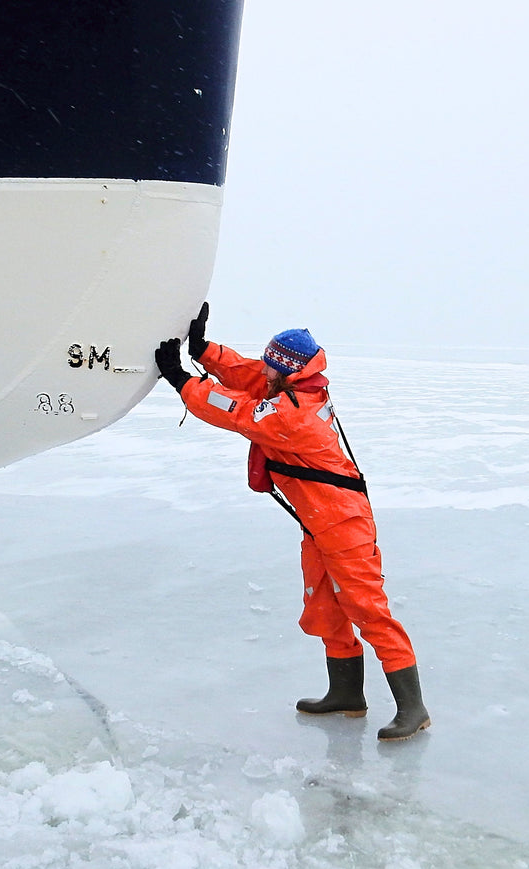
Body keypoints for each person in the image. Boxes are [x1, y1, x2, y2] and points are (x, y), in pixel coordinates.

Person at [154, 303, 429, 741]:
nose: (264, 371)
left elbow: (237, 410)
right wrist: (205, 352)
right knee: (325, 605)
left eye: (271, 365)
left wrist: (182, 380)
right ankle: (346, 695)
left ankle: (413, 709)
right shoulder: (293, 386)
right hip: (320, 519)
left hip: (343, 522)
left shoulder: (290, 414)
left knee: (367, 609)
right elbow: (252, 378)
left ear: (288, 371)